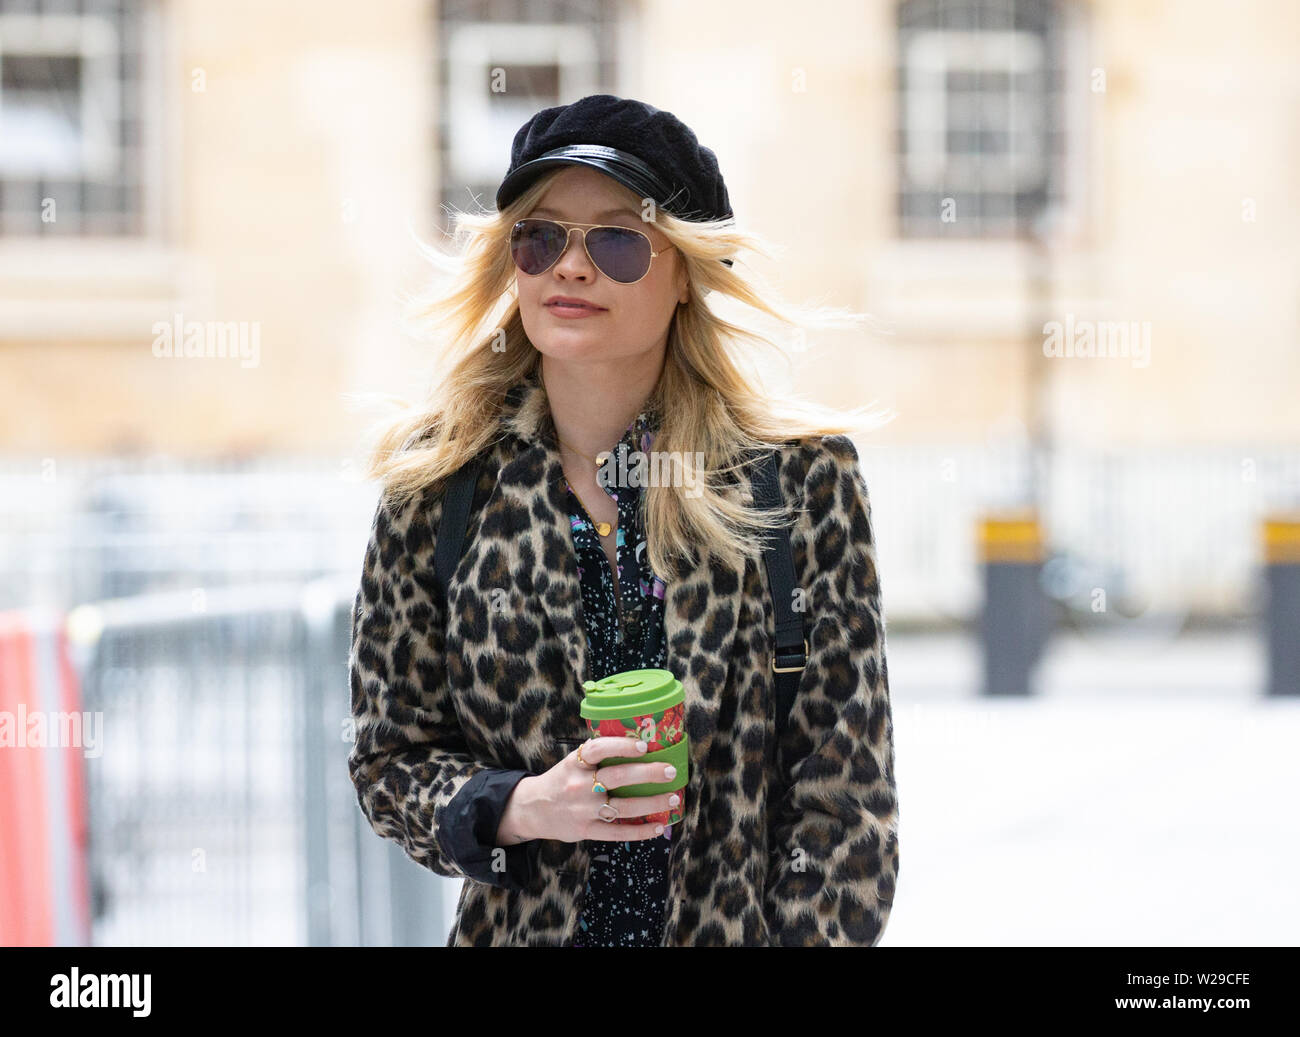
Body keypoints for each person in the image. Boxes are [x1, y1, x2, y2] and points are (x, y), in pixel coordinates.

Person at [347, 94, 899, 946]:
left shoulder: (798, 482)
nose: (570, 267)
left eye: (616, 240)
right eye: (540, 237)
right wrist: (523, 807)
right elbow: (390, 762)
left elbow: (844, 806)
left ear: (684, 273)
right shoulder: (437, 482)